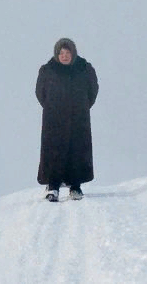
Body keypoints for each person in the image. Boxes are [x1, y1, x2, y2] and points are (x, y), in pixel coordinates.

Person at [35, 38, 99, 201]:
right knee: (53, 151)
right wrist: (52, 107)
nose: (64, 56)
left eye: (67, 53)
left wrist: (82, 106)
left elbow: (92, 91)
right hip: (53, 119)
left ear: (73, 53)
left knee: (77, 151)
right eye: (61, 53)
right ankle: (53, 187)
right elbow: (40, 93)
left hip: (78, 118)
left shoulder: (84, 69)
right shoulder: (48, 70)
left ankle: (75, 187)